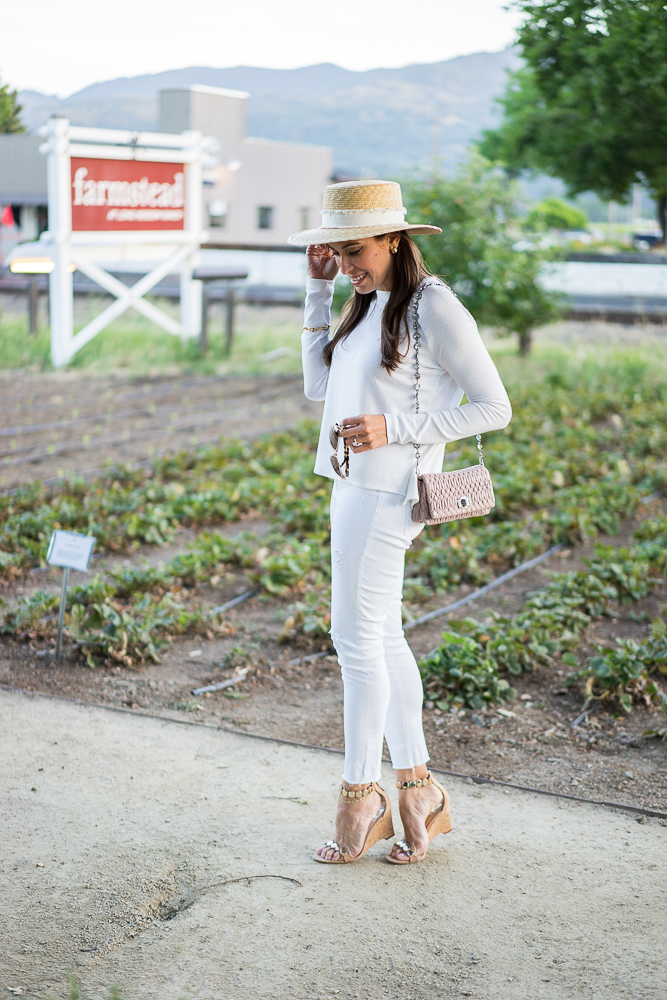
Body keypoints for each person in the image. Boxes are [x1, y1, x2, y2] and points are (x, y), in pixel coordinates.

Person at [288, 180, 512, 864]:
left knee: (353, 639)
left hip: (388, 492)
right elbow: (319, 389)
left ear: (394, 239)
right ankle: (418, 792)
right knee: (379, 636)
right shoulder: (367, 302)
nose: (346, 260)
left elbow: (493, 406)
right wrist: (318, 292)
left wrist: (396, 426)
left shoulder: (434, 306)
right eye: (336, 250)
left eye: (355, 249)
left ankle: (362, 795)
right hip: (350, 484)